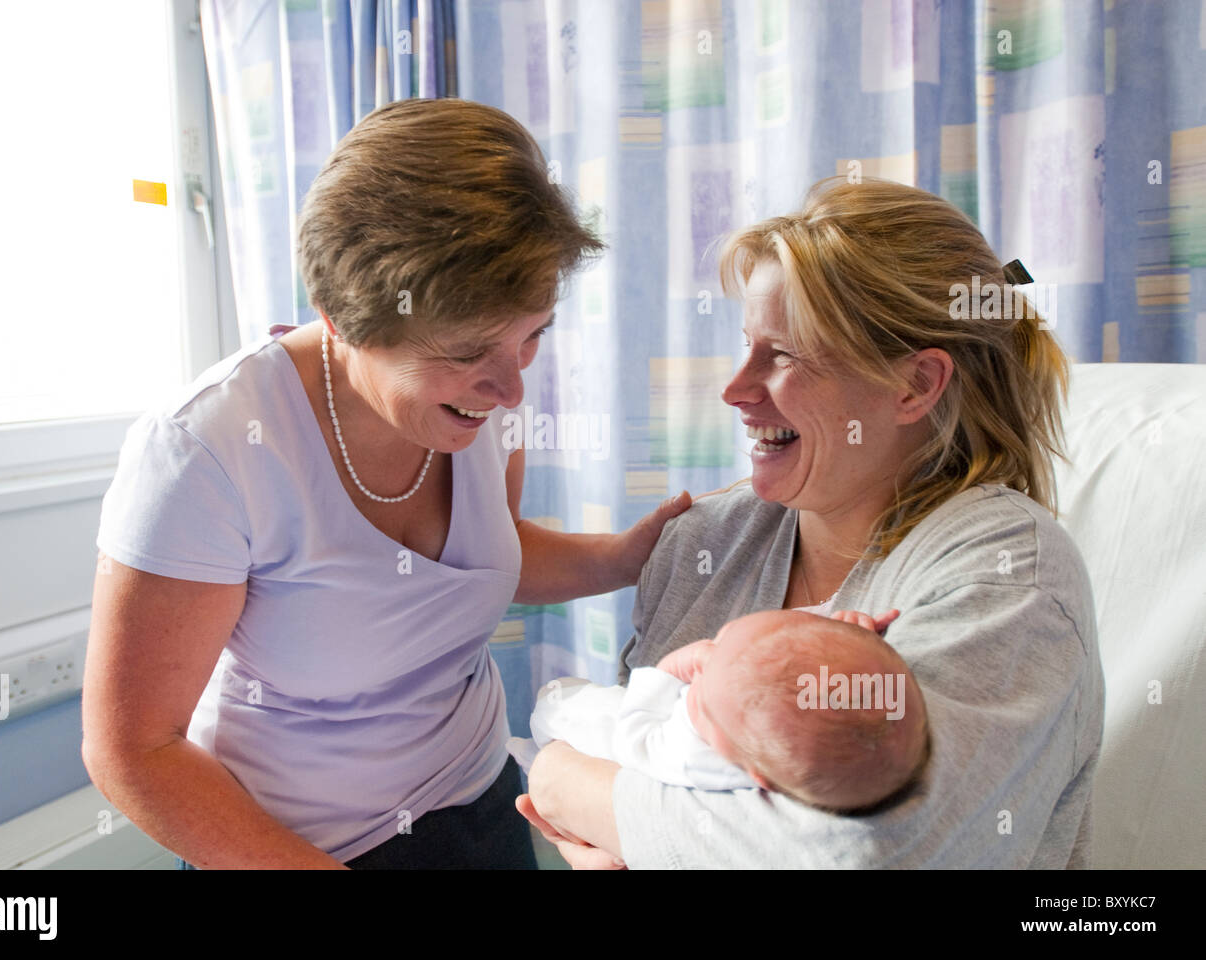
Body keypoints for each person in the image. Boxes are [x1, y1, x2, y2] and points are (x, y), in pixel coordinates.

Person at [79, 98, 693, 870]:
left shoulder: (479, 409)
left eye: (532, 334)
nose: (512, 389)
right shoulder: (208, 453)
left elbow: (481, 556)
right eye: (471, 350)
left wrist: (622, 557)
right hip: (294, 846)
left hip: (479, 801)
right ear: (342, 319)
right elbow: (134, 751)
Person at [517, 175, 1105, 869]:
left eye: (784, 354)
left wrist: (563, 782)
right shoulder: (704, 544)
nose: (734, 391)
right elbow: (636, 750)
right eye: (746, 345)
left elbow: (862, 855)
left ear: (915, 385)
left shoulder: (1009, 574)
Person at [508, 607, 928, 815]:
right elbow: (796, 666)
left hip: (596, 733)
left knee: (556, 705)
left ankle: (533, 737)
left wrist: (671, 669)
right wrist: (846, 633)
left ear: (757, 778)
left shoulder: (693, 758)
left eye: (703, 703)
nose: (707, 658)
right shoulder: (780, 743)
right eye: (726, 637)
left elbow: (635, 734)